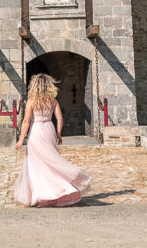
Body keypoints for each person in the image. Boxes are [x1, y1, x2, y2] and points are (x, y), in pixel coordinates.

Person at [13, 73, 92, 207]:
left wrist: (21, 140)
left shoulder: (31, 101)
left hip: (37, 131)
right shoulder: (53, 101)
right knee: (52, 160)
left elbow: (26, 121)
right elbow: (60, 119)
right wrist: (59, 133)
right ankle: (58, 190)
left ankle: (40, 194)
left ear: (34, 86)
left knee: (36, 164)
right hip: (49, 129)